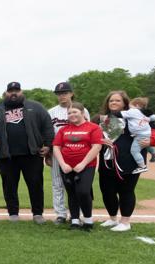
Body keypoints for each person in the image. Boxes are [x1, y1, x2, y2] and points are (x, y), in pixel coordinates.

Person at [0, 81, 54, 224]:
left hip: (31, 154)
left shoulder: (35, 107)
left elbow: (47, 126)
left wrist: (48, 145)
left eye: (16, 90)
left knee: (35, 184)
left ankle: (37, 214)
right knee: (9, 186)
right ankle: (13, 213)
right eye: (11, 91)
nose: (13, 93)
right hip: (6, 156)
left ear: (21, 92)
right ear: (6, 93)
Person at [96, 91, 150, 232]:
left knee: (126, 190)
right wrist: (101, 140)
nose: (113, 103)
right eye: (111, 100)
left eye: (117, 100)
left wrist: (152, 140)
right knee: (107, 191)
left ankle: (125, 222)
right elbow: (90, 135)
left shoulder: (135, 116)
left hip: (129, 160)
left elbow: (152, 130)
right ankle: (112, 218)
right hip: (107, 161)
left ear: (125, 103)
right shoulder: (100, 119)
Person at [52, 102, 103, 231]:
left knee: (83, 191)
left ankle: (88, 221)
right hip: (66, 167)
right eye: (69, 113)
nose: (71, 115)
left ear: (82, 113)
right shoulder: (64, 129)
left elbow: (97, 146)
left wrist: (83, 164)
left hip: (86, 166)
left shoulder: (93, 127)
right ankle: (74, 220)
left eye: (75, 112)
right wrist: (63, 164)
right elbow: (56, 147)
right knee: (72, 193)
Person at [47, 82, 90, 224]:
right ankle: (60, 214)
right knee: (57, 183)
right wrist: (48, 153)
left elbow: (89, 129)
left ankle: (79, 214)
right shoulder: (52, 112)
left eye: (64, 93)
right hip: (57, 152)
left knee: (80, 184)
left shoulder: (83, 110)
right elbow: (48, 133)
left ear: (71, 93)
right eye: (59, 94)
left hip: (79, 152)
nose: (62, 96)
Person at [121, 97, 155, 174]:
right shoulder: (144, 115)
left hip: (139, 137)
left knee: (135, 151)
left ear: (137, 105)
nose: (129, 108)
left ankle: (142, 166)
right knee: (146, 145)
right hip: (142, 136)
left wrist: (152, 141)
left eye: (130, 106)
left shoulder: (135, 112)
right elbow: (154, 118)